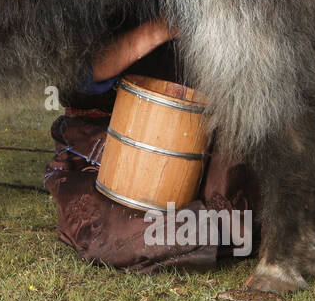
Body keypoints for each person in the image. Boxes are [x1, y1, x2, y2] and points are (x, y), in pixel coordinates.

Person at [44, 19, 258, 272]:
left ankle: (204, 224)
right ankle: (191, 229)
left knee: (237, 200)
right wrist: (158, 31)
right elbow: (78, 75)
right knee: (109, 230)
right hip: (104, 139)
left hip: (192, 135)